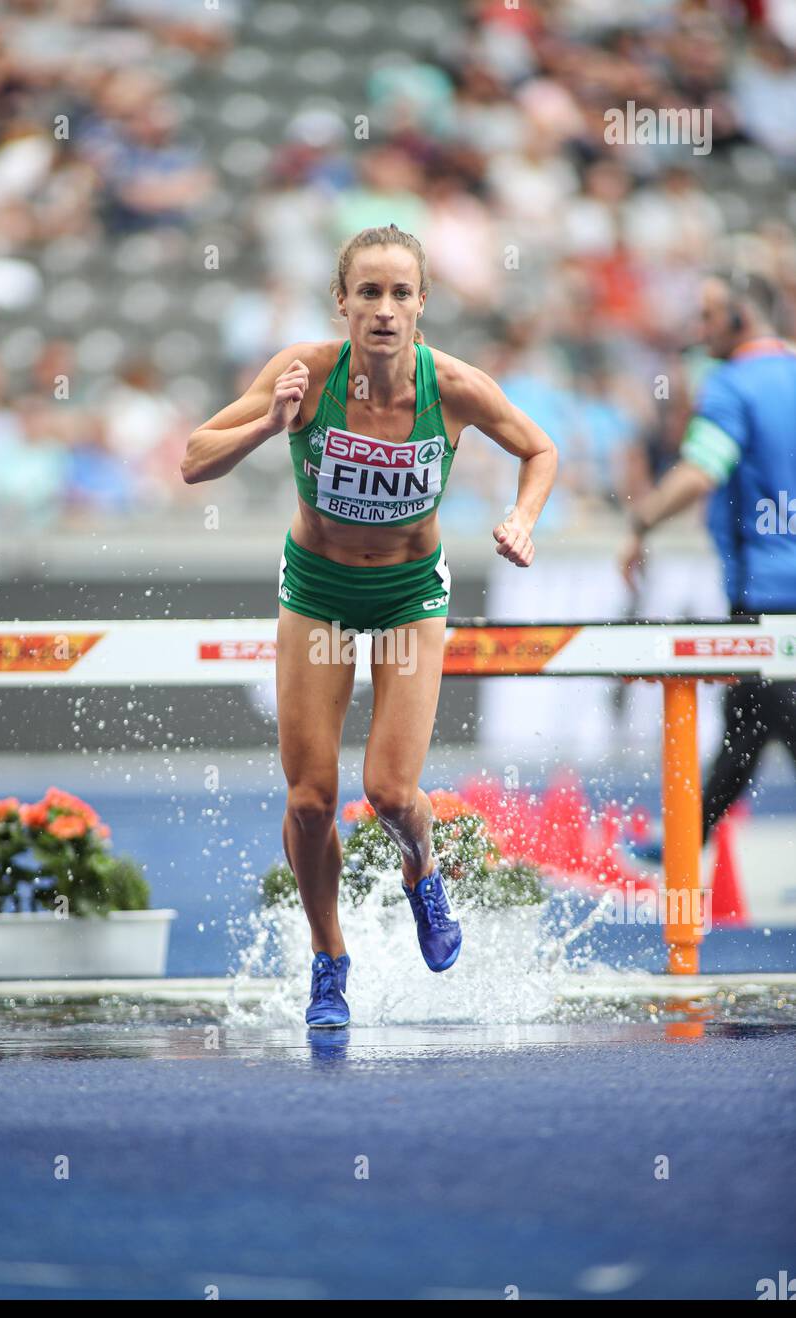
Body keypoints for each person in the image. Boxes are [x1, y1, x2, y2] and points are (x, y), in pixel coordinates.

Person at [182, 224, 557, 1027]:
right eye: (368, 293)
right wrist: (268, 425)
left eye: (399, 293)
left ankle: (422, 870)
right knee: (311, 800)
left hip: (407, 597)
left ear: (424, 303)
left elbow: (540, 450)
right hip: (316, 589)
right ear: (341, 302)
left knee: (389, 792)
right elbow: (192, 458)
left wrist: (523, 518)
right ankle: (330, 957)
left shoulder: (453, 386)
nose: (383, 309)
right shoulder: (304, 373)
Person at [619, 270, 796, 863]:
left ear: (742, 317)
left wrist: (640, 520)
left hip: (768, 598)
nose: (698, 330)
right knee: (747, 724)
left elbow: (701, 470)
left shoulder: (731, 386)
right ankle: (686, 836)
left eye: (709, 316)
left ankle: (685, 838)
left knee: (766, 717)